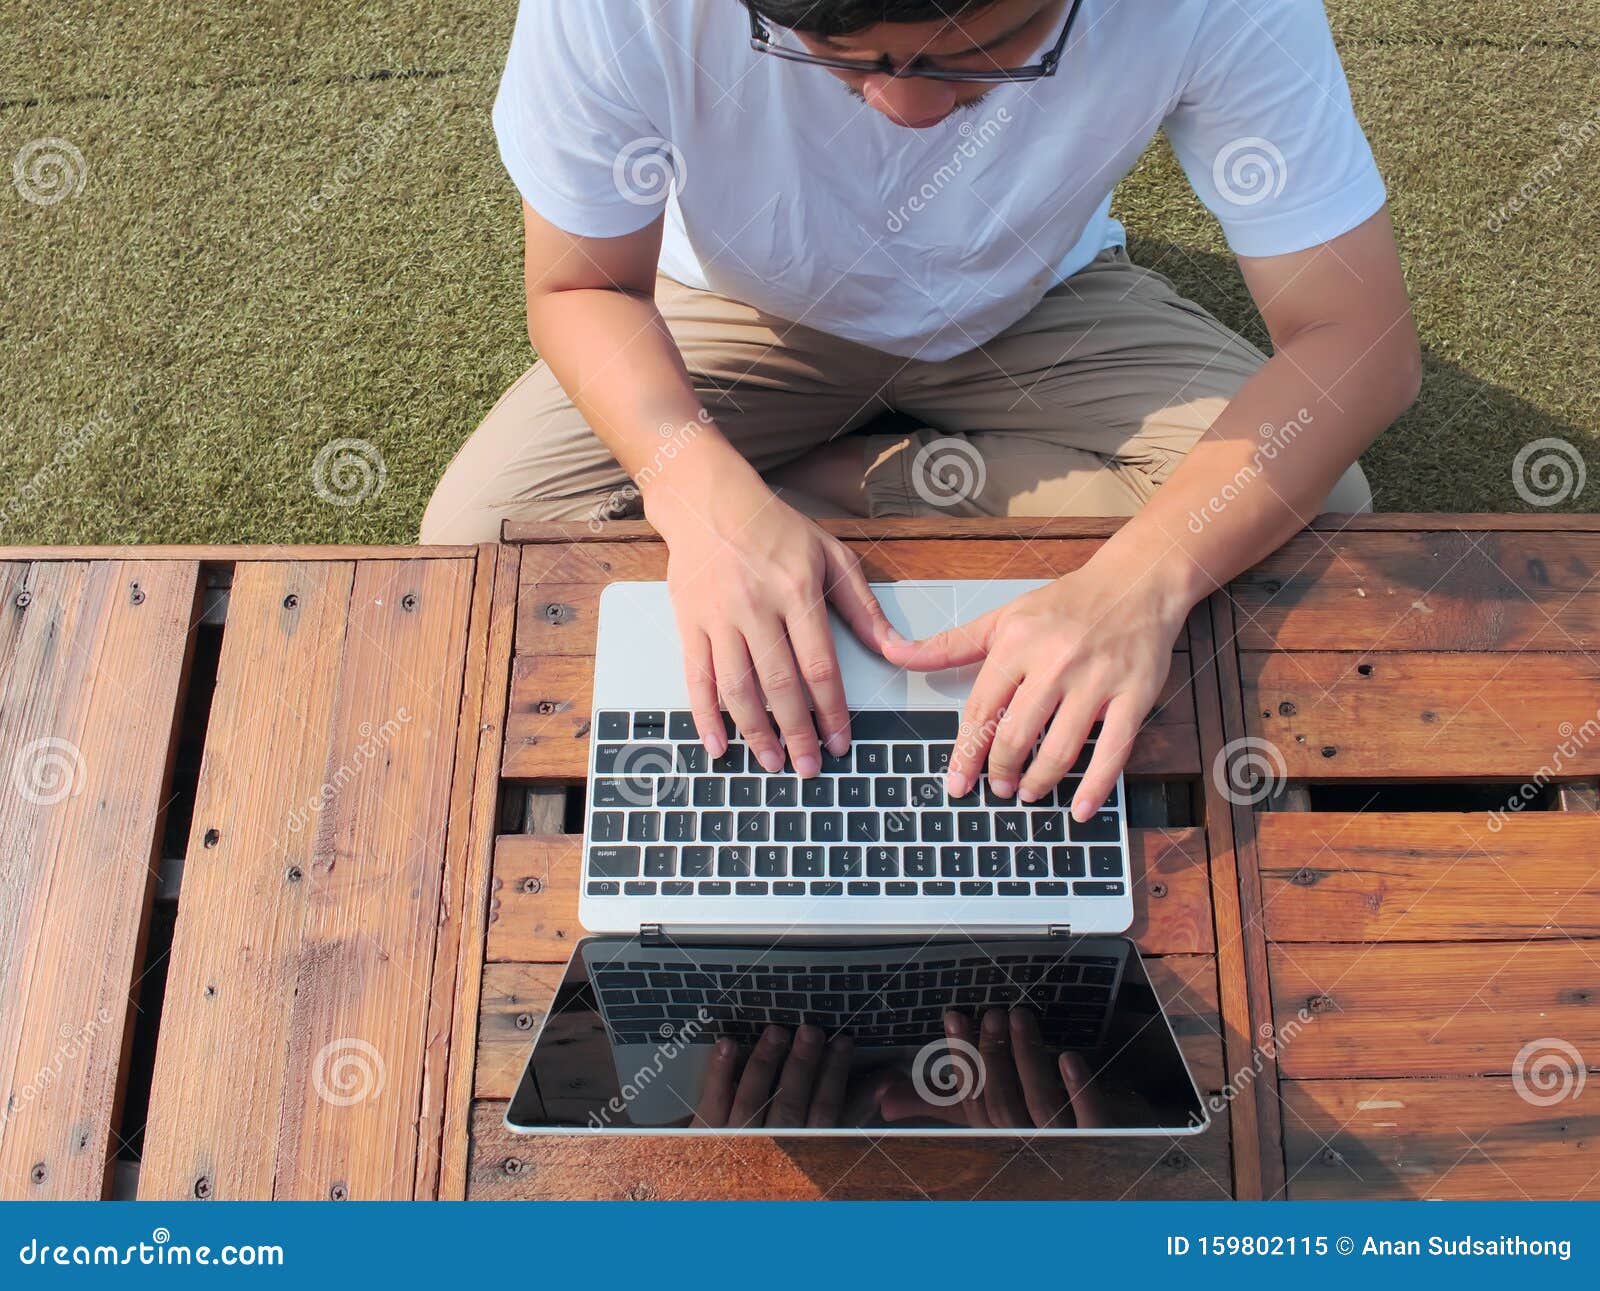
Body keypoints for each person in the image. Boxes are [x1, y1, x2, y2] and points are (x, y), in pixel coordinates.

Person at [422, 0, 1420, 813]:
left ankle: (821, 481)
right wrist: (704, 497)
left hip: (1037, 305)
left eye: (985, 52)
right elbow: (583, 287)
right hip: (729, 309)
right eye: (836, 55)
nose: (905, 110)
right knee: (478, 543)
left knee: (1323, 499)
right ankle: (787, 494)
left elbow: (1355, 340)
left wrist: (1142, 584)